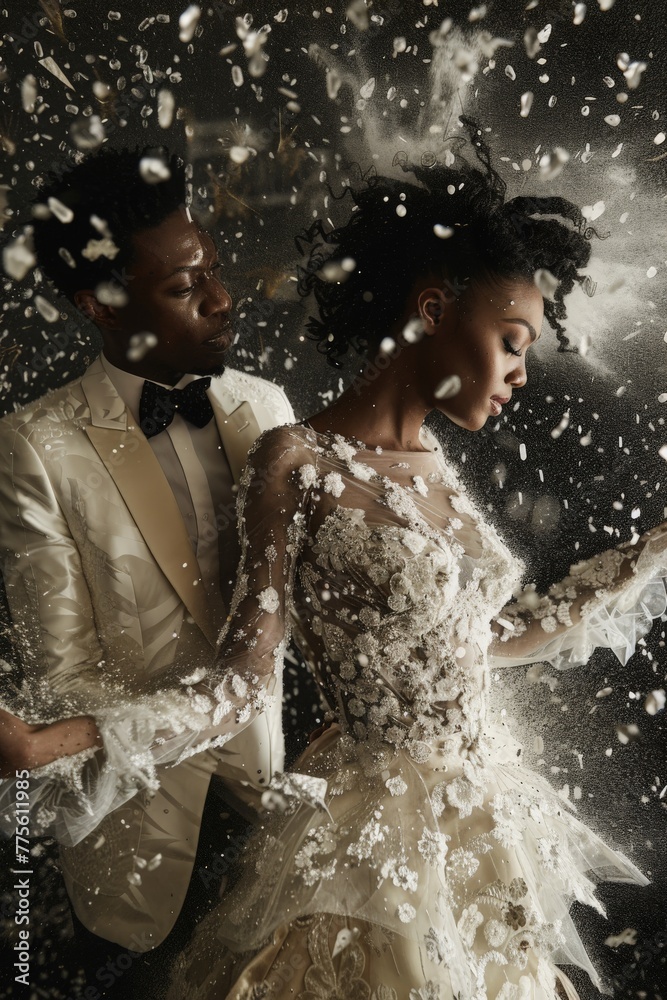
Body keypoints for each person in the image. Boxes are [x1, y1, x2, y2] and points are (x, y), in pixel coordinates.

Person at [153, 123, 667, 1000]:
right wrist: (77, 739)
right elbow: (243, 679)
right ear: (433, 311)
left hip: (482, 820)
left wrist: (649, 555)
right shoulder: (296, 459)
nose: (519, 373)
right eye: (511, 340)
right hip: (373, 830)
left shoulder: (434, 464)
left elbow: (483, 638)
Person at [0, 147, 294, 992]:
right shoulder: (36, 447)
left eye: (213, 272)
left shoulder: (265, 407)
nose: (222, 299)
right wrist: (195, 720)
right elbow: (66, 674)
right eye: (180, 288)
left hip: (279, 799)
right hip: (136, 828)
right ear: (98, 305)